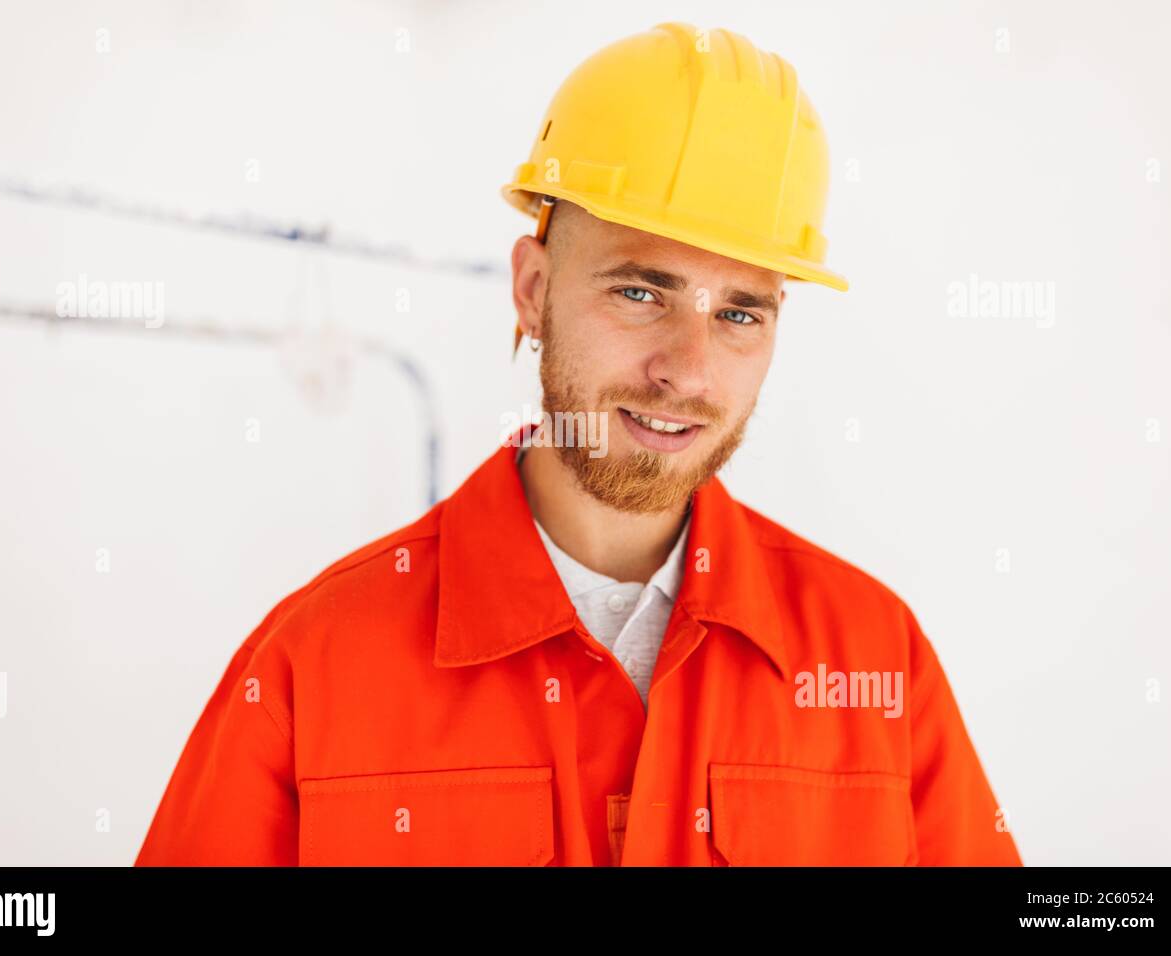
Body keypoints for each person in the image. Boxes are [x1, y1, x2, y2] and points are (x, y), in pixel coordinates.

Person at [135, 21, 1022, 866]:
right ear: (532, 288)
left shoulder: (874, 662)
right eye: (641, 292)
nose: (687, 371)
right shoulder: (314, 667)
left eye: (740, 313)